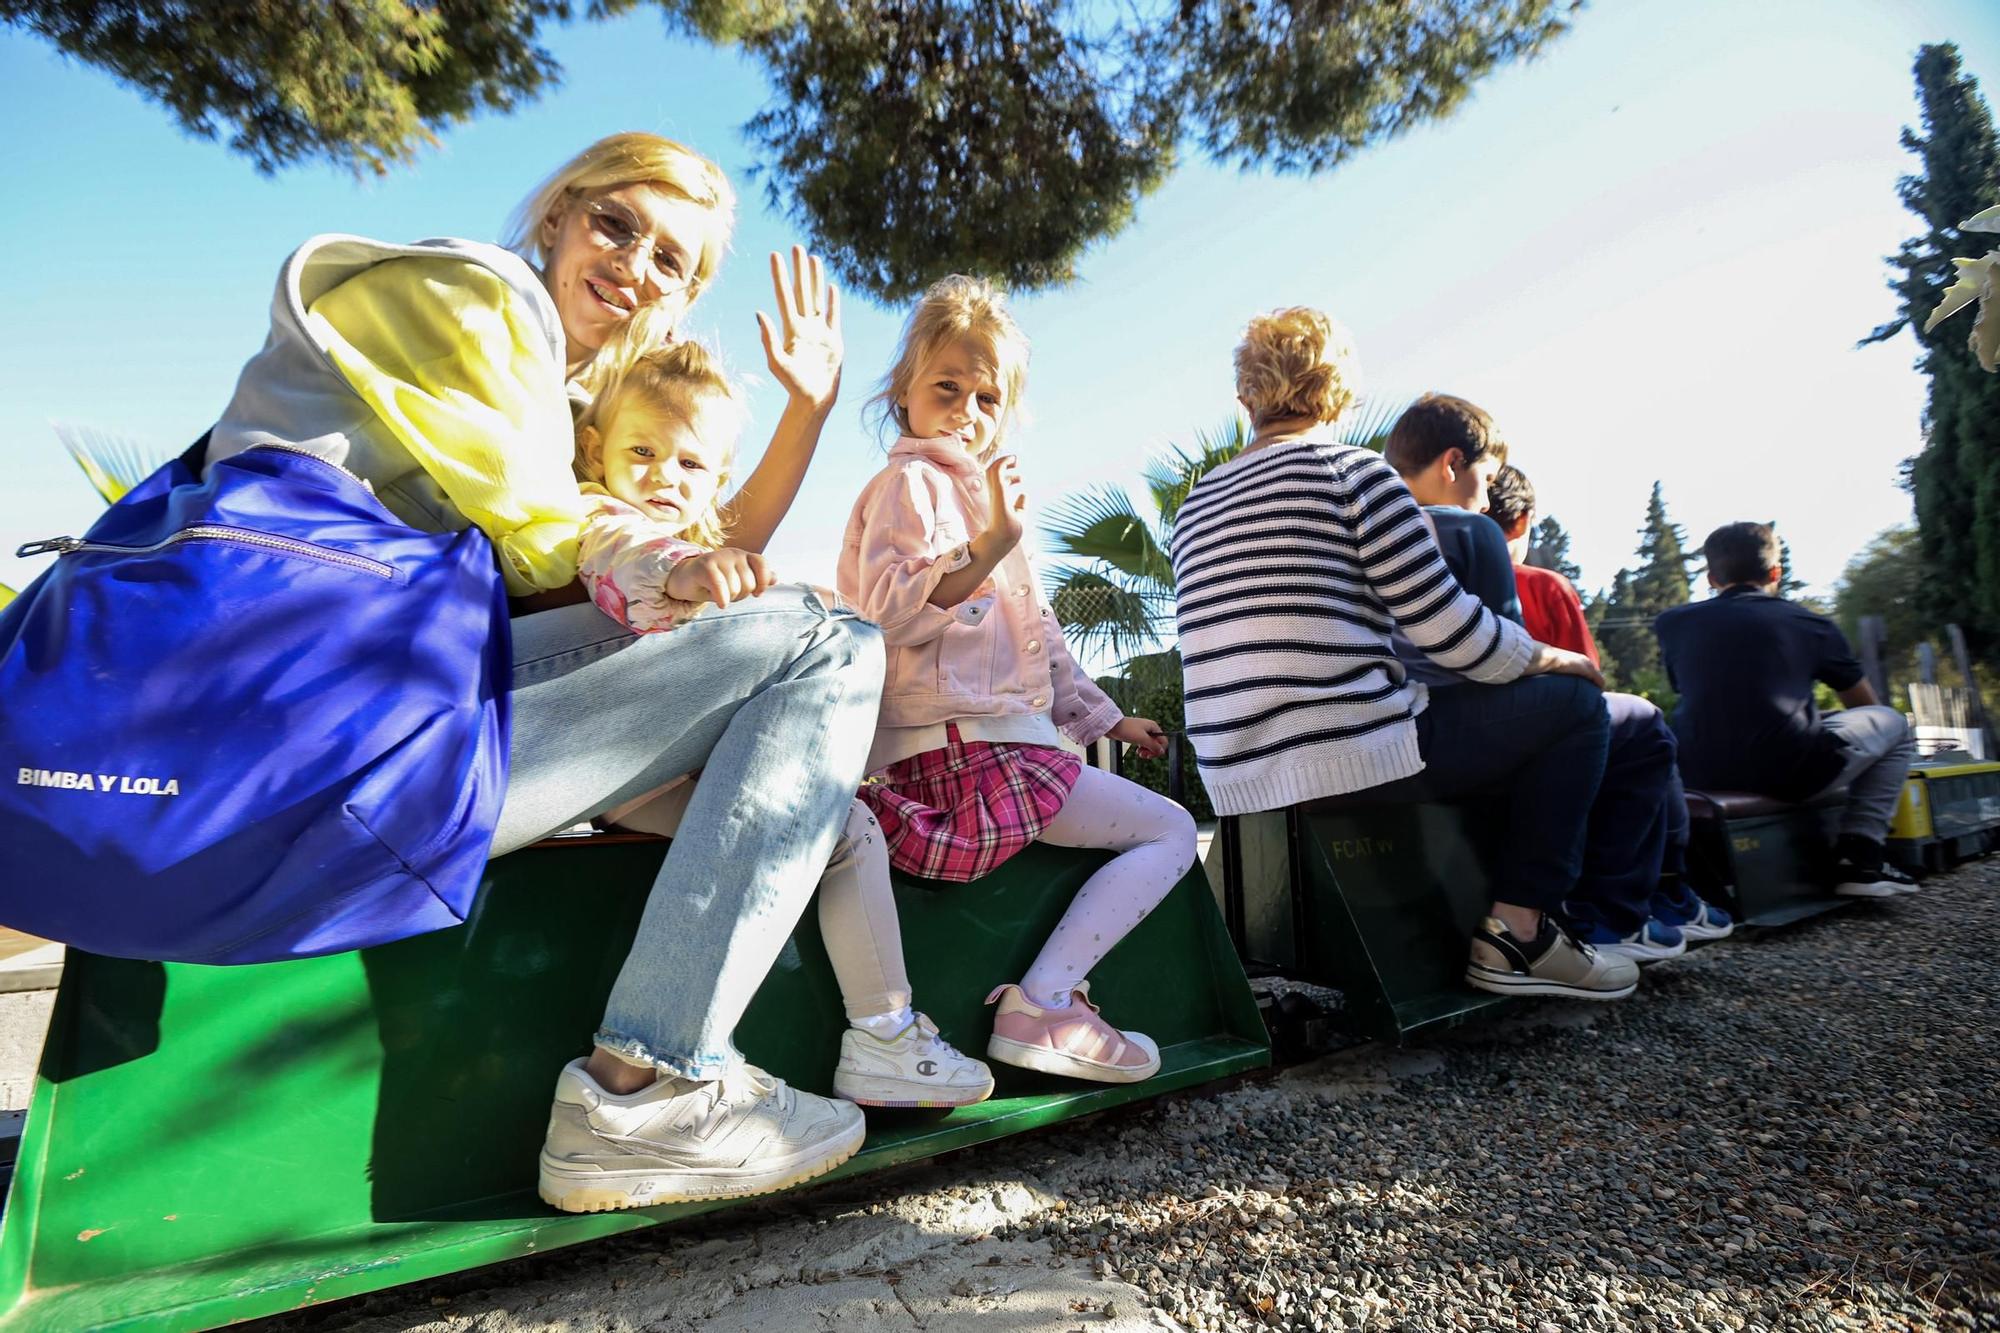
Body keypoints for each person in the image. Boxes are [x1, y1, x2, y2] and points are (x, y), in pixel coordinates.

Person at [205, 131, 889, 1214]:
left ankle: (697, 1070)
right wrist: (671, 566)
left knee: (799, 644)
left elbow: (697, 545)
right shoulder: (479, 301)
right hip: (319, 761)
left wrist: (798, 419)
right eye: (617, 224)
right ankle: (648, 1086)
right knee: (826, 640)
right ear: (557, 214)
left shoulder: (555, 394)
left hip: (350, 731)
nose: (634, 266)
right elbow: (557, 532)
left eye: (672, 261)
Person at [568, 309, 994, 1109]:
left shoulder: (697, 529)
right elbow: (629, 560)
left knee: (848, 823)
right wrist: (690, 572)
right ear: (597, 453)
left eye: (692, 463)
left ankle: (884, 1028)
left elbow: (723, 533)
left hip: (660, 765)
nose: (665, 476)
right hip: (623, 764)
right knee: (840, 815)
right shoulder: (607, 520)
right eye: (643, 452)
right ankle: (880, 1030)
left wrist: (807, 410)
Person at [1172, 310, 1638, 1001]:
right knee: (1575, 711)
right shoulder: (1354, 473)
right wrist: (1552, 658)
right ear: (1339, 394)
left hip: (1240, 775)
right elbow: (1453, 635)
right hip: (1352, 759)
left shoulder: (1196, 504)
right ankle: (1522, 931)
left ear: (1247, 398)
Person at [840, 275, 1195, 1084]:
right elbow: (888, 609)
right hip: (966, 750)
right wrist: (989, 546)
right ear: (904, 393)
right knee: (1173, 830)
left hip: (987, 742)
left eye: (987, 396)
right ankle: (1046, 999)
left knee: (1153, 820)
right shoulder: (912, 484)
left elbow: (1038, 641)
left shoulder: (980, 502)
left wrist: (1106, 720)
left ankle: (1047, 997)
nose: (967, 409)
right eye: (947, 387)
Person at [1485, 465, 1733, 942]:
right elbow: (1589, 683)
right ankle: (1661, 892)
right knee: (1647, 732)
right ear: (1522, 521)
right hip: (1546, 744)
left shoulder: (1435, 582)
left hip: (1472, 741)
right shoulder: (1542, 585)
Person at [1657, 522, 1919, 898]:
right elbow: (1865, 707)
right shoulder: (1811, 624)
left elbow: (1706, 693)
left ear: (1712, 578)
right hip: (1788, 773)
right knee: (1894, 724)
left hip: (1696, 769)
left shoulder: (1672, 624)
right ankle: (1860, 857)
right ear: (1775, 573)